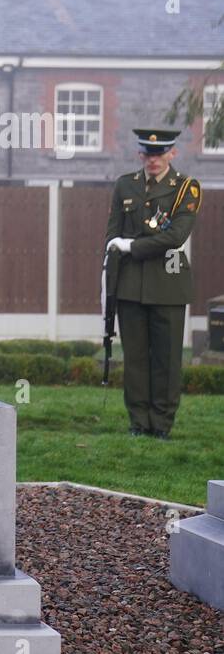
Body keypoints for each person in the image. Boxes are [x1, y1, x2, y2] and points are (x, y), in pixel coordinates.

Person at [105, 128, 200, 439]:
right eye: (148, 154)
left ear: (172, 154)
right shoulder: (124, 185)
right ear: (140, 155)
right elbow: (112, 235)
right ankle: (138, 422)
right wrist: (109, 272)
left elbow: (175, 237)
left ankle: (161, 425)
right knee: (135, 359)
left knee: (167, 360)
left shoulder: (186, 188)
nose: (153, 160)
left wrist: (132, 247)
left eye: (160, 154)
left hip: (168, 283)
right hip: (130, 285)